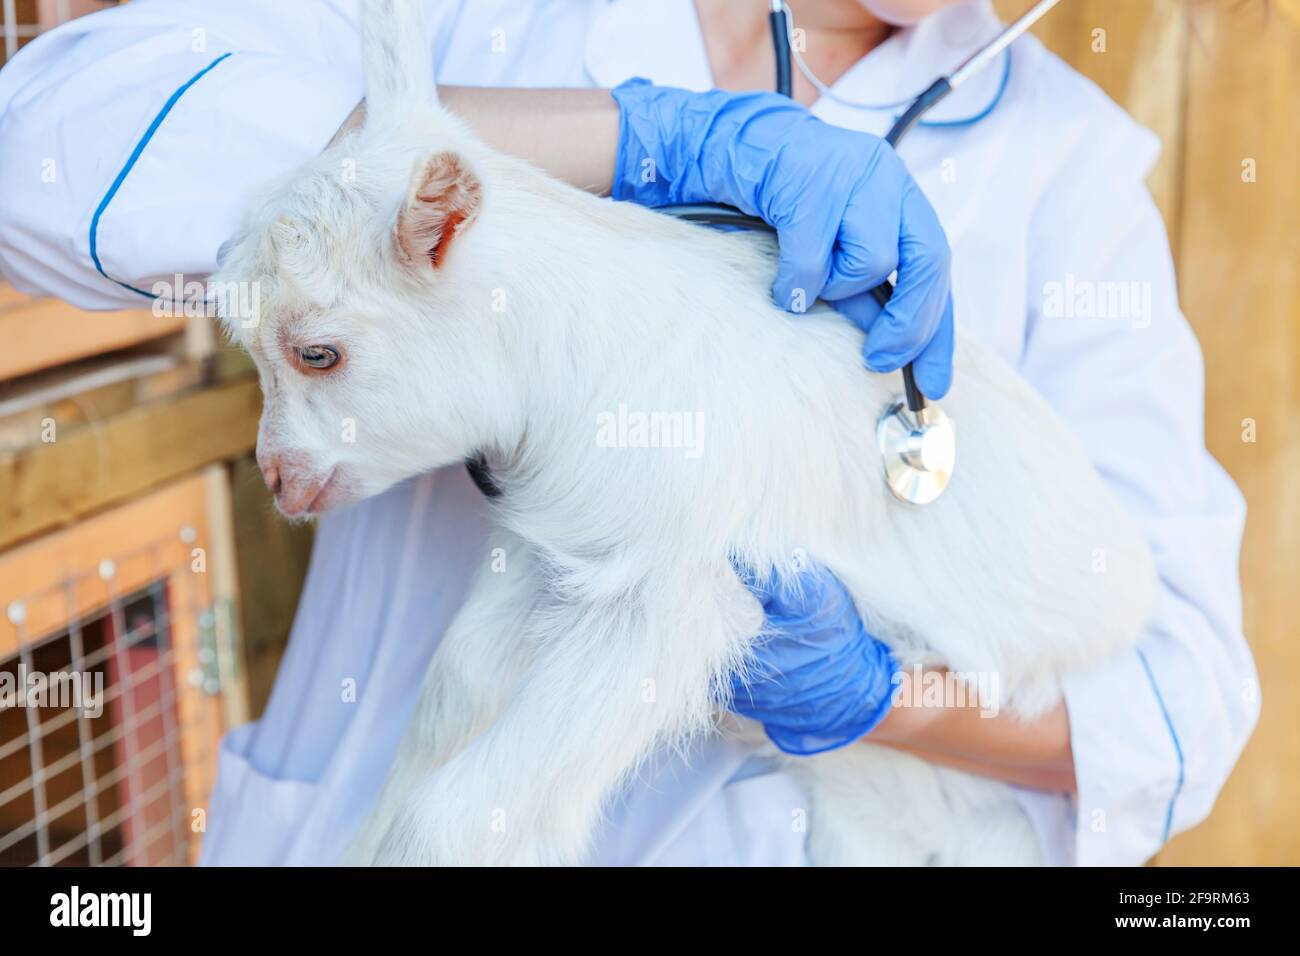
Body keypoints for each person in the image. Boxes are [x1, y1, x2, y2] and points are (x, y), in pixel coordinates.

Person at [0, 0, 1257, 866]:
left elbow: (1182, 695)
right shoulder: (520, 20)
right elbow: (42, 151)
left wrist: (876, 697)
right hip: (360, 790)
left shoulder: (1068, 168)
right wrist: (631, 140)